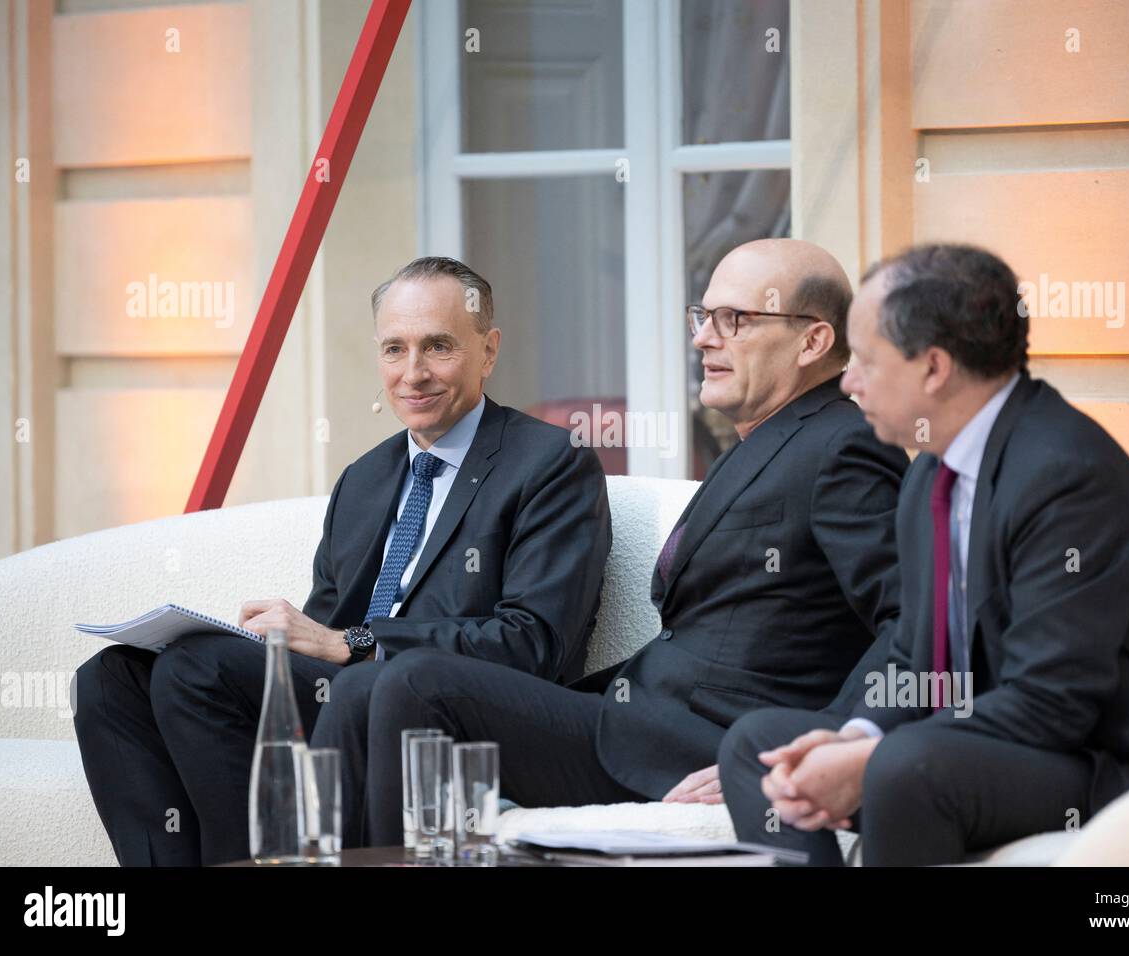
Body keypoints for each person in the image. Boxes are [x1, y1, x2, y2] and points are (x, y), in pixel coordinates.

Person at [313, 237, 908, 847]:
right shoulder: (761, 442)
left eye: (735, 321)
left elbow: (914, 623)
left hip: (706, 744)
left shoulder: (843, 446)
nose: (703, 338)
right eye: (702, 319)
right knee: (364, 685)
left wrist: (829, 744)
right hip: (639, 722)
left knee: (414, 682)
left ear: (813, 341)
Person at [719, 243, 1129, 865]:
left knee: (904, 768)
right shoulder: (932, 472)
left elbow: (1054, 699)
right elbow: (914, 657)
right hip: (1007, 743)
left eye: (867, 361)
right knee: (759, 744)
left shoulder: (1065, 474)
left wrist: (871, 758)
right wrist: (856, 734)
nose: (848, 382)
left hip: (1127, 761)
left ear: (933, 368)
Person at [73, 256, 612, 866]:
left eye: (438, 347)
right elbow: (320, 639)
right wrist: (286, 641)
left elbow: (534, 643)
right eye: (394, 349)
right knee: (109, 678)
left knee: (198, 670)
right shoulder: (365, 478)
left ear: (488, 351)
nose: (413, 373)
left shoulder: (549, 463)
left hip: (458, 713)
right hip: (347, 705)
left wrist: (356, 642)